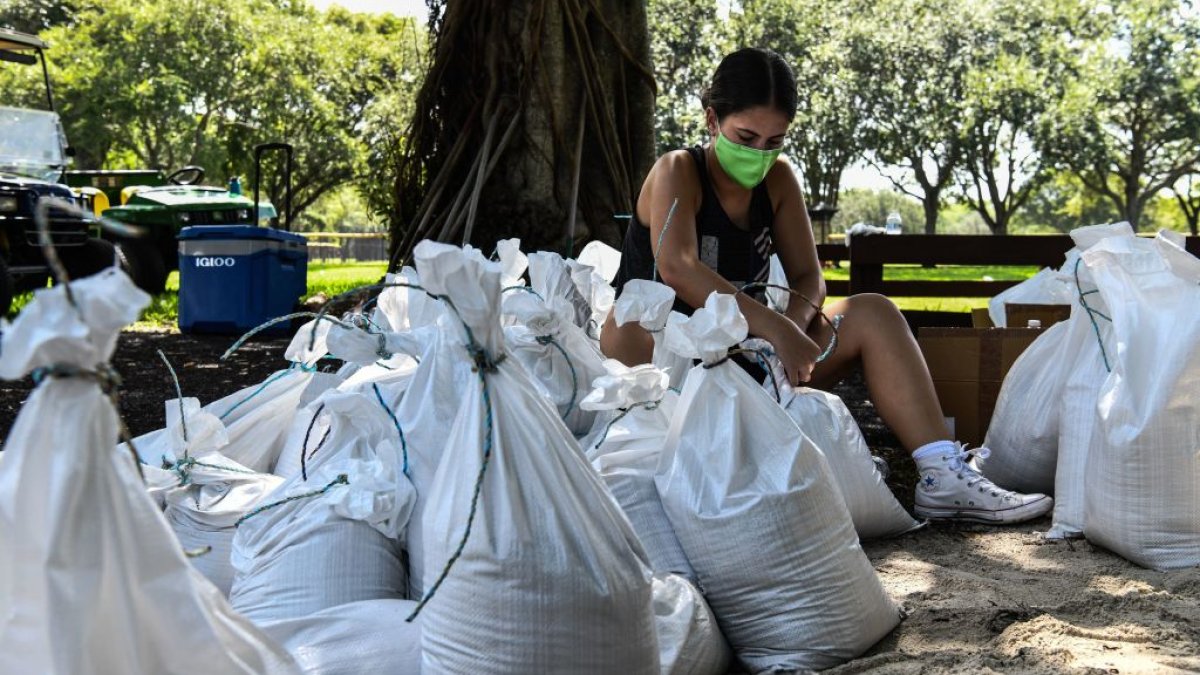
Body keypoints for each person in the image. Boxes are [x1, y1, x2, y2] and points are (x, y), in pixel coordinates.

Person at [600, 47, 1051, 525]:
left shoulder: (777, 181)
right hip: (667, 366)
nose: (759, 154)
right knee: (631, 322)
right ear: (712, 120)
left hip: (747, 360)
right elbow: (678, 267)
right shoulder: (677, 170)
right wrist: (777, 331)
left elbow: (808, 277)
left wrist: (785, 338)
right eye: (745, 137)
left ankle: (942, 474)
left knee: (872, 312)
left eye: (774, 140)